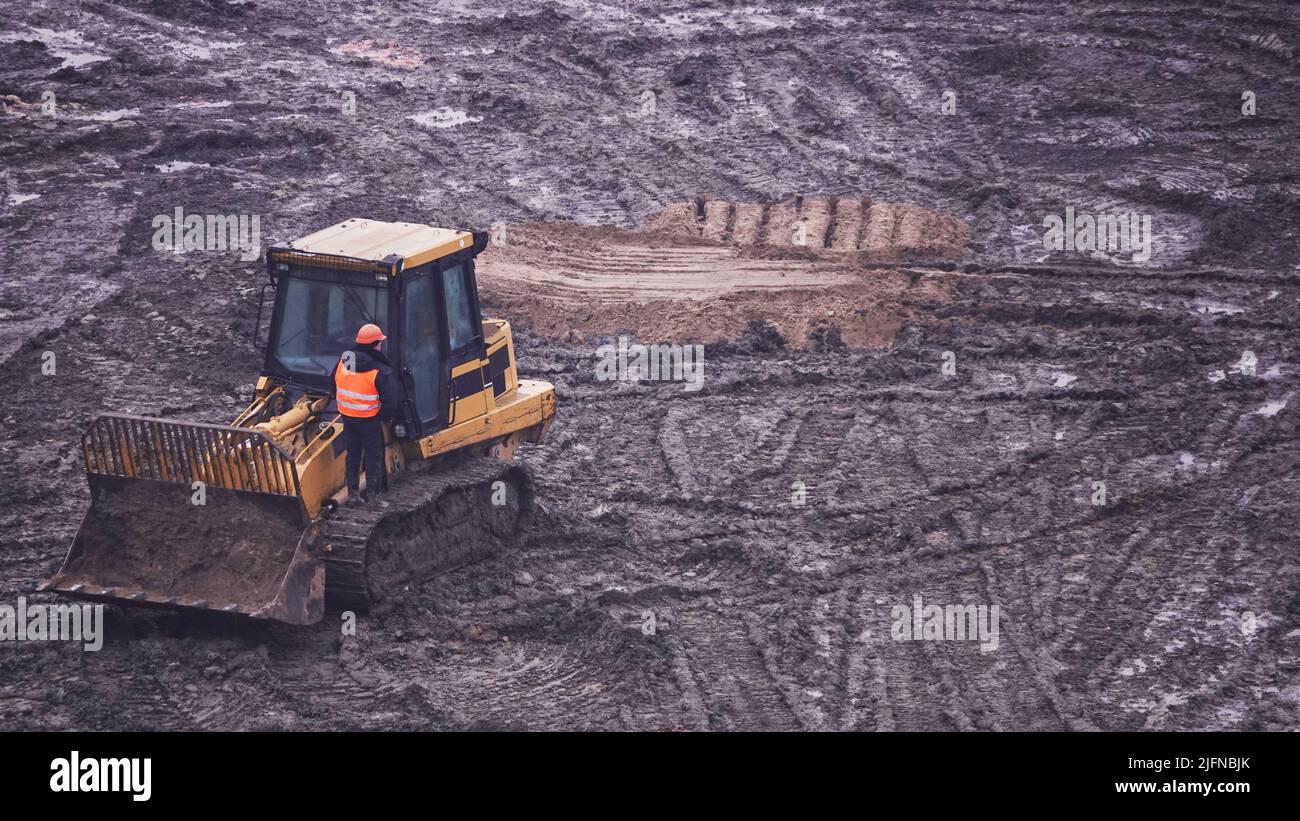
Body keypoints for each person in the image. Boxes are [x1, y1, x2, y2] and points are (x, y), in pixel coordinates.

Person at [334, 323, 402, 505]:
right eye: (379, 342)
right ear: (375, 344)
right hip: (368, 421)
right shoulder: (380, 369)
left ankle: (353, 495)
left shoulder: (344, 361)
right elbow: (390, 401)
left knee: (353, 455)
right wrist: (384, 417)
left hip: (347, 418)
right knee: (373, 456)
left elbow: (333, 383)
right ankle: (374, 497)